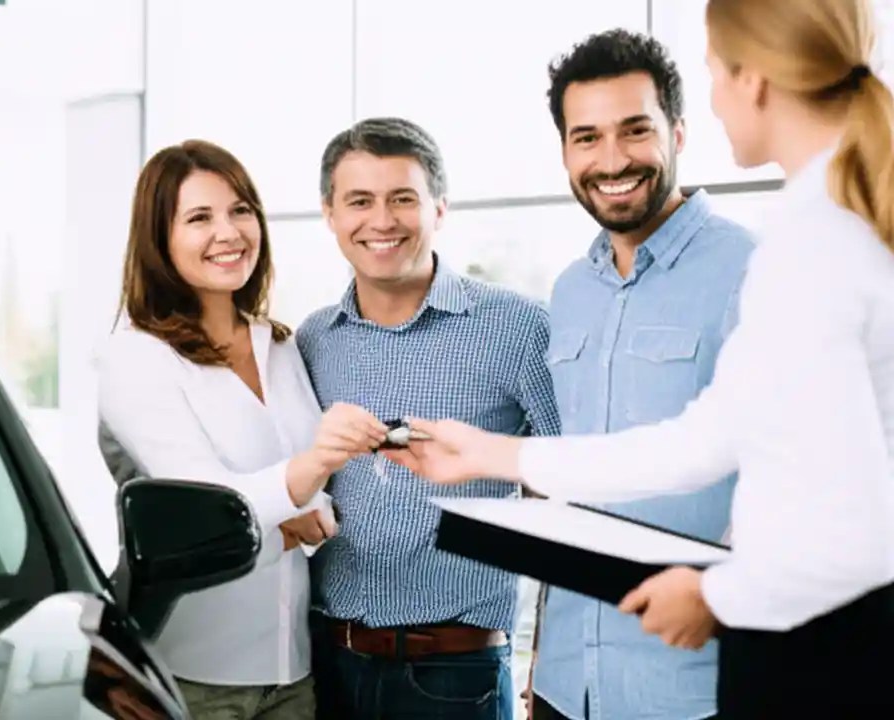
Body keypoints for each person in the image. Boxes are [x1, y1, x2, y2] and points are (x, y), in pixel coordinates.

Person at [383, 1, 894, 716]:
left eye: (715, 72)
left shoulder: (803, 248)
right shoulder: (830, 225)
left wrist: (714, 593)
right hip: (642, 670)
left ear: (752, 80)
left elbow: (862, 528)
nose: (716, 97)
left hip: (803, 658)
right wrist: (487, 455)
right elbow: (700, 442)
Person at [95, 139, 390, 719]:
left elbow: (323, 506)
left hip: (293, 672)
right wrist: (304, 487)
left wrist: (299, 509)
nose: (228, 232)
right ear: (160, 239)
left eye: (240, 210)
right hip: (193, 679)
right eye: (199, 217)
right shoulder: (137, 359)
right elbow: (207, 513)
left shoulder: (277, 345)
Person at [295, 117, 562, 720]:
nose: (381, 220)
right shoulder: (313, 340)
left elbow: (563, 497)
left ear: (439, 208)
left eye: (402, 199)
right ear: (330, 214)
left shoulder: (518, 329)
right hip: (326, 663)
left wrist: (552, 655)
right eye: (359, 201)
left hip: (455, 675)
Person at [529, 29, 755, 720]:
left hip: (691, 687)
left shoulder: (756, 270)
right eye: (586, 137)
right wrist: (542, 670)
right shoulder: (569, 292)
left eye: (635, 130)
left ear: (679, 133)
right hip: (568, 684)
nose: (612, 159)